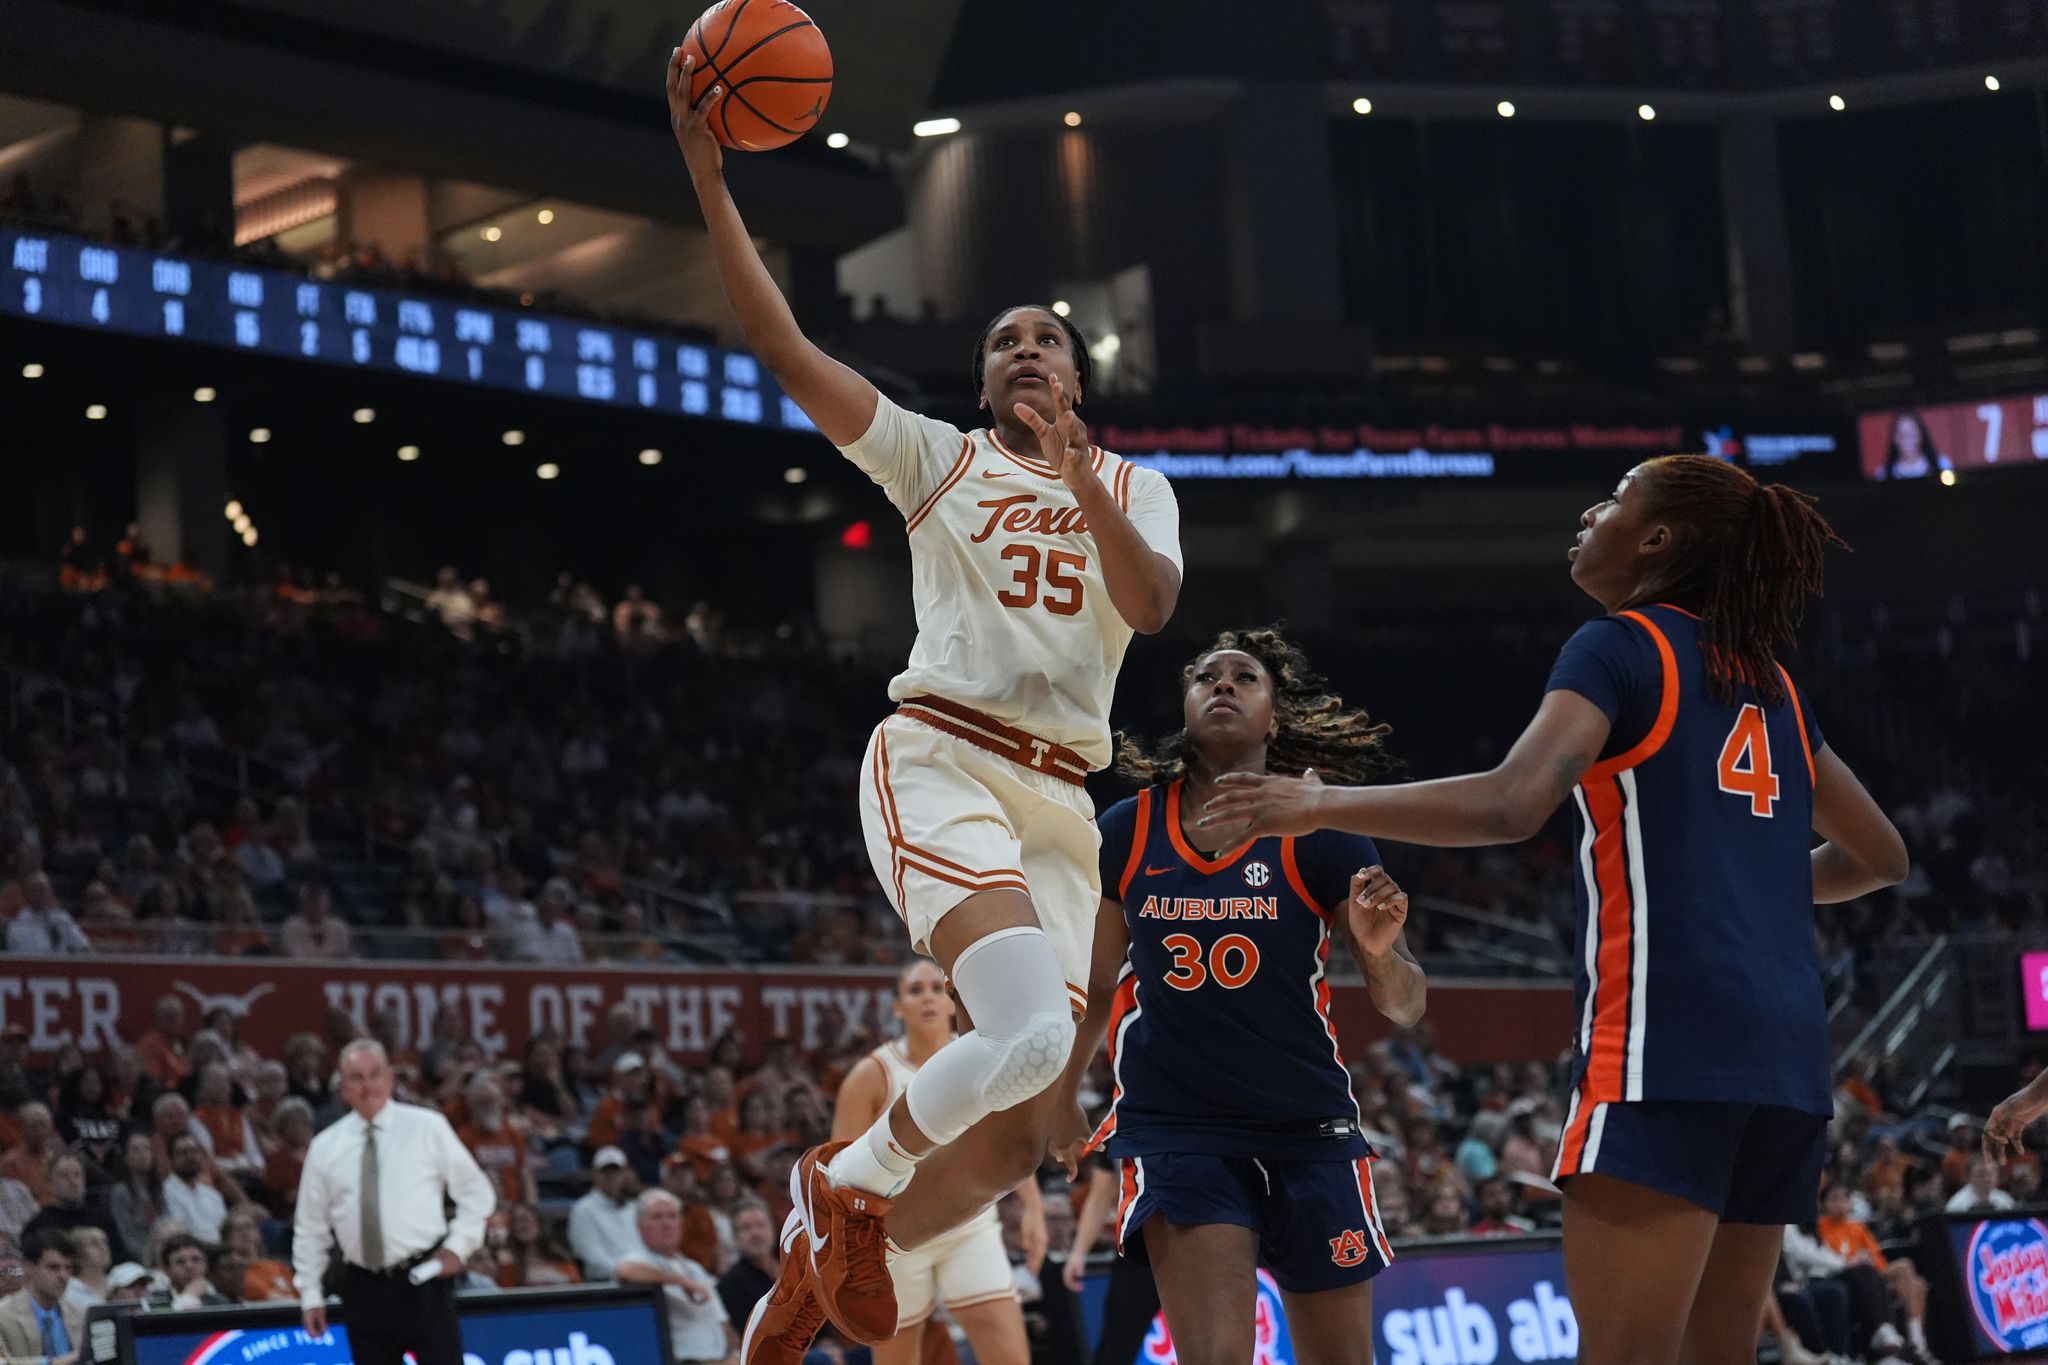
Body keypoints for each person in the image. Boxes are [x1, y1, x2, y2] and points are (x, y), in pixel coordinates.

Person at [668, 45, 1183, 1363]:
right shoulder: (938, 463)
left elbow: (1155, 605)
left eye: (1049, 340)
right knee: (1015, 1030)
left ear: (1078, 377)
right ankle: (842, 1190)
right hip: (944, 755)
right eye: (1006, 340)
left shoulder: (1130, 485)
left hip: (1067, 797)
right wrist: (707, 171)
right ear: (983, 381)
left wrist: (1077, 474)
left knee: (1032, 1087)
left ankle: (838, 1216)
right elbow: (782, 345)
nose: (1027, 348)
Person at [1194, 456, 1909, 1365]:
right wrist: (1746, 875)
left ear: (1657, 540)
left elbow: (1511, 803)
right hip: (1788, 1062)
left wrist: (1320, 804)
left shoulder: (1620, 646)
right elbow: (1882, 856)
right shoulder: (1773, 682)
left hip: (1667, 1046)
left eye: (1614, 497)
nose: (1589, 507)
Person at [1046, 628, 1421, 1364]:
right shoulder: (1125, 830)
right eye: (1205, 677)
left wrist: (1379, 955)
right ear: (1185, 707)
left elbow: (1405, 1003)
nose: (1222, 684)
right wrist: (1063, 1096)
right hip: (1178, 1129)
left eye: (1245, 677)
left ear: (1274, 718)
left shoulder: (1322, 827)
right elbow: (1093, 987)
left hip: (1308, 1124)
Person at [832, 962, 1044, 1365]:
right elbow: (841, 1172)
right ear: (898, 1008)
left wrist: (1033, 1208)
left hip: (971, 1226)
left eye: (935, 987)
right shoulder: (870, 1075)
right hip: (895, 1236)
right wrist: (850, 1254)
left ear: (951, 1003)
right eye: (915, 990)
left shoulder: (984, 1057)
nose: (927, 996)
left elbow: (1005, 1144)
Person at [291, 1039, 496, 1365]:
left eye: (374, 1074)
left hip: (424, 1279)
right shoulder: (325, 1147)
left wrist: (459, 1246)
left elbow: (477, 1192)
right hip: (362, 1286)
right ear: (342, 1087)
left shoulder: (427, 1127)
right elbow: (310, 1227)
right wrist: (310, 1295)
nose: (367, 1085)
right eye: (356, 1077)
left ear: (389, 1079)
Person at [615, 1189, 736, 1364]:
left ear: (681, 1224)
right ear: (640, 1227)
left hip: (720, 1357)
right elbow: (624, 1270)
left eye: (672, 1216)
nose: (666, 1223)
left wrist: (735, 1354)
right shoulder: (639, 1260)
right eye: (657, 1217)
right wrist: (682, 1282)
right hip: (680, 1359)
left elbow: (723, 1322)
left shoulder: (694, 1268)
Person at [1815, 1182, 1931, 1359]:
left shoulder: (1857, 1227)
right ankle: (1914, 1343)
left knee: (1917, 1283)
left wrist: (1868, 1260)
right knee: (1904, 1271)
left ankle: (1917, 1344)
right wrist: (1854, 1261)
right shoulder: (1820, 1227)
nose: (1840, 1204)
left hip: (1870, 1274)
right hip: (1845, 1275)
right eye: (1834, 1199)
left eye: (1844, 1199)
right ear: (1823, 1204)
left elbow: (1878, 1259)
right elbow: (1827, 1260)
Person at [0, 1229, 85, 1362]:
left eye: (68, 1268)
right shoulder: (3, 1315)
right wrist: (50, 1363)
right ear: (29, 1267)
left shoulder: (81, 1314)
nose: (64, 1276)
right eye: (53, 1267)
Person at [20, 1155, 126, 1262]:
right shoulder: (39, 1226)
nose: (73, 1181)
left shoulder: (103, 1217)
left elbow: (120, 1257)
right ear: (50, 1183)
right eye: (64, 1176)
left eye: (77, 1175)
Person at [567, 1146, 642, 1279]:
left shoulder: (634, 1208)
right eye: (605, 1172)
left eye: (616, 1172)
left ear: (624, 1175)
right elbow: (592, 1259)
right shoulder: (583, 1210)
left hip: (644, 1280)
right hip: (608, 1286)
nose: (611, 1177)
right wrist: (629, 1274)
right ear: (594, 1174)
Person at [718, 1201, 780, 1332]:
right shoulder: (730, 1284)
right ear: (735, 1237)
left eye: (760, 1225)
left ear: (772, 1228)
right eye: (746, 1228)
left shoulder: (793, 1269)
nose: (755, 1233)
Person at [497, 1202, 582, 1288]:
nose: (522, 1226)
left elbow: (576, 1285)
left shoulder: (558, 1256)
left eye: (526, 1219)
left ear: (539, 1223)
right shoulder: (507, 1260)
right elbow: (506, 1291)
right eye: (515, 1221)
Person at [161, 1134, 227, 1242]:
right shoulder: (166, 1192)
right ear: (171, 1159)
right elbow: (181, 1235)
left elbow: (224, 1230)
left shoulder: (213, 1195)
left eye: (194, 1151)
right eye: (183, 1153)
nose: (190, 1157)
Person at [223, 1210, 295, 1302]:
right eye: (238, 1229)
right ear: (226, 1238)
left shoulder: (278, 1266)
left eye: (248, 1227)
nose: (245, 1234)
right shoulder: (229, 1272)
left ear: (258, 1233)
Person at [1880, 410, 1951, 481]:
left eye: (1911, 432)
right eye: (1902, 433)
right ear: (1894, 438)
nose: (1907, 438)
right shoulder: (1884, 473)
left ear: (1921, 434)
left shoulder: (1942, 464)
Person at [60, 1226, 111, 1311]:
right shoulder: (68, 1290)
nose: (102, 1248)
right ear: (77, 1253)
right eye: (94, 1244)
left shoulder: (119, 1282)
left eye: (104, 1242)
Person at [1947, 1155, 2016, 1213]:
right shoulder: (1957, 1205)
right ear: (1968, 1177)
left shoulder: (2005, 1200)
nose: (1987, 1179)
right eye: (1981, 1174)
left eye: (1991, 1174)